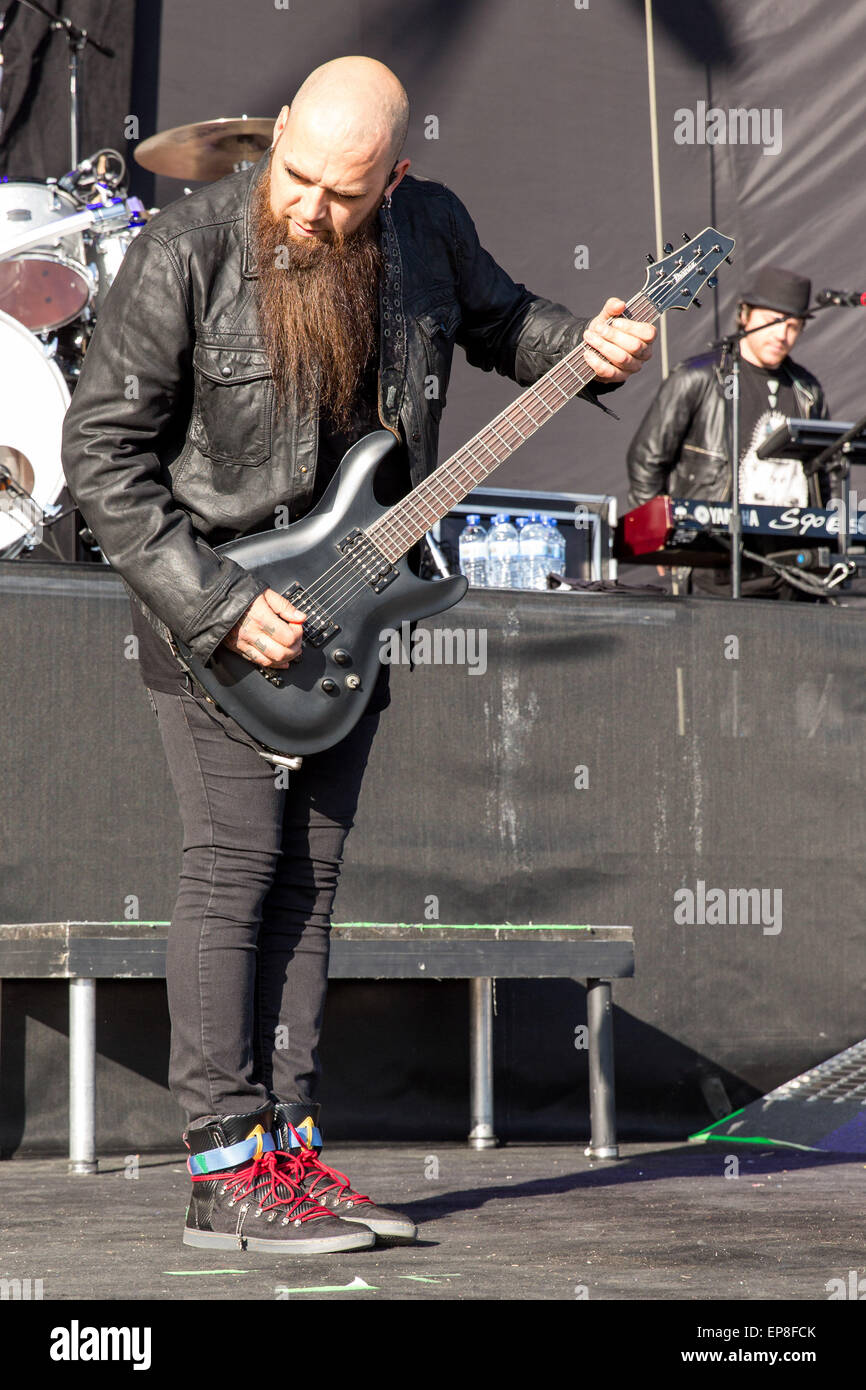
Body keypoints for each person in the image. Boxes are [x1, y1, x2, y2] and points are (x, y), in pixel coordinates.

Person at [61, 55, 656, 1254]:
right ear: (276, 136)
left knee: (311, 882)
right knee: (234, 867)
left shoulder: (426, 230)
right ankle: (221, 1168)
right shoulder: (185, 251)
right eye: (295, 176)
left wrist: (580, 347)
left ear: (395, 175)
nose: (307, 209)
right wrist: (219, 602)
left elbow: (505, 325)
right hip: (213, 615)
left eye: (342, 192)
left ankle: (288, 1147)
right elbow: (105, 460)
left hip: (351, 606)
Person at [626, 266, 832, 598]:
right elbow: (647, 457)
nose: (782, 335)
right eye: (773, 321)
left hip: (790, 569)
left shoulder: (807, 391)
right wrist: (656, 532)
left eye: (793, 326)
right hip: (716, 562)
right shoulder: (697, 377)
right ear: (745, 315)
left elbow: (821, 475)